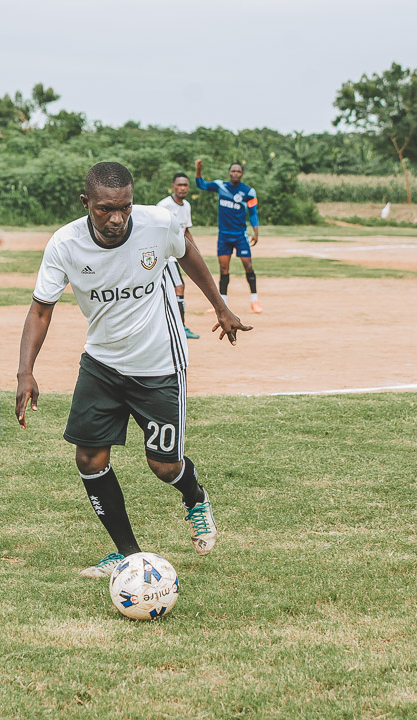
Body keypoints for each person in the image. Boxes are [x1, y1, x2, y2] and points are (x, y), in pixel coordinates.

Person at [15, 161, 251, 578]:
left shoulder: (157, 224)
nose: (117, 217)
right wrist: (25, 372)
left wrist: (220, 306)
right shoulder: (65, 244)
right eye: (106, 208)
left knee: (163, 465)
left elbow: (188, 253)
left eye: (124, 206)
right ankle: (129, 555)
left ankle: (194, 497)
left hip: (160, 362)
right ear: (86, 202)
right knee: (88, 459)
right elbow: (40, 310)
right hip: (101, 362)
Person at [195, 159, 262, 313]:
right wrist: (198, 170)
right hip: (224, 236)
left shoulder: (248, 192)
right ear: (229, 173)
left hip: (240, 235)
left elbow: (253, 213)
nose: (235, 173)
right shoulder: (221, 186)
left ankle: (254, 300)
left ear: (242, 174)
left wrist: (256, 231)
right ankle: (222, 303)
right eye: (233, 171)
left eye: (238, 171)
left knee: (248, 265)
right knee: (223, 268)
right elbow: (201, 184)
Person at [157, 173, 199, 339]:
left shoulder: (186, 206)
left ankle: (171, 325)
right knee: (179, 286)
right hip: (167, 255)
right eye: (179, 185)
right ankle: (180, 327)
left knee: (168, 289)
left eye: (185, 185)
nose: (182, 188)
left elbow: (185, 230)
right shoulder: (164, 205)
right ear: (173, 186)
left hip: (178, 254)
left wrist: (196, 252)